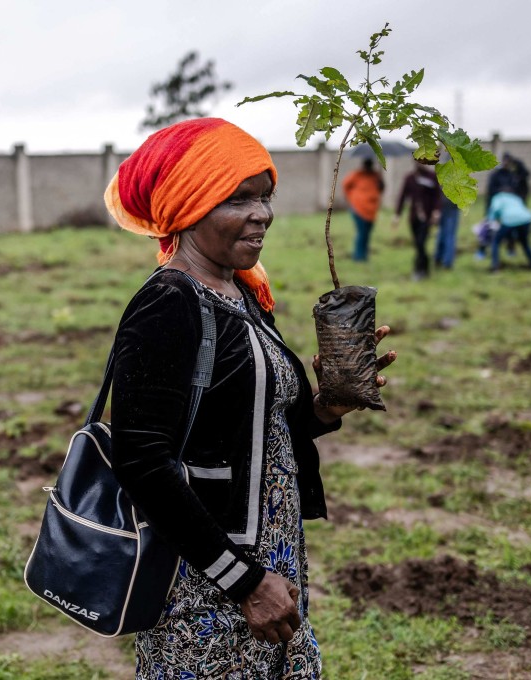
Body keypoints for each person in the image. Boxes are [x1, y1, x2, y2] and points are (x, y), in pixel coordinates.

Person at [103, 117, 396, 678]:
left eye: (266, 197)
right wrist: (245, 581)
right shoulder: (170, 303)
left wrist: (325, 408)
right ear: (190, 206)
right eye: (239, 198)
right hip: (206, 576)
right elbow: (140, 462)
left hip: (270, 556)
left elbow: (256, 429)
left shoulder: (240, 291)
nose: (262, 213)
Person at [393, 162, 443, 280]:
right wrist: (397, 214)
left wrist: (436, 211)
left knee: (421, 243)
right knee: (418, 244)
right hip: (414, 218)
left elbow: (438, 196)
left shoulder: (432, 176)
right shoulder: (410, 178)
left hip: (427, 218)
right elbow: (402, 196)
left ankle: (419, 270)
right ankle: (425, 268)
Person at [487, 180, 531, 272]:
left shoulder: (498, 197)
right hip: (527, 219)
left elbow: (494, 209)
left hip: (510, 219)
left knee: (496, 241)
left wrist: (491, 221)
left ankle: (495, 267)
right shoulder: (515, 197)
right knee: (524, 241)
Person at [341, 158, 384, 261]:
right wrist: (351, 198)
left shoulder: (376, 176)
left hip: (371, 210)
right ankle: (359, 256)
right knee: (362, 232)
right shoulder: (356, 175)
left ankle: (364, 255)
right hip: (358, 208)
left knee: (367, 233)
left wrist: (381, 178)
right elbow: (345, 185)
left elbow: (381, 188)